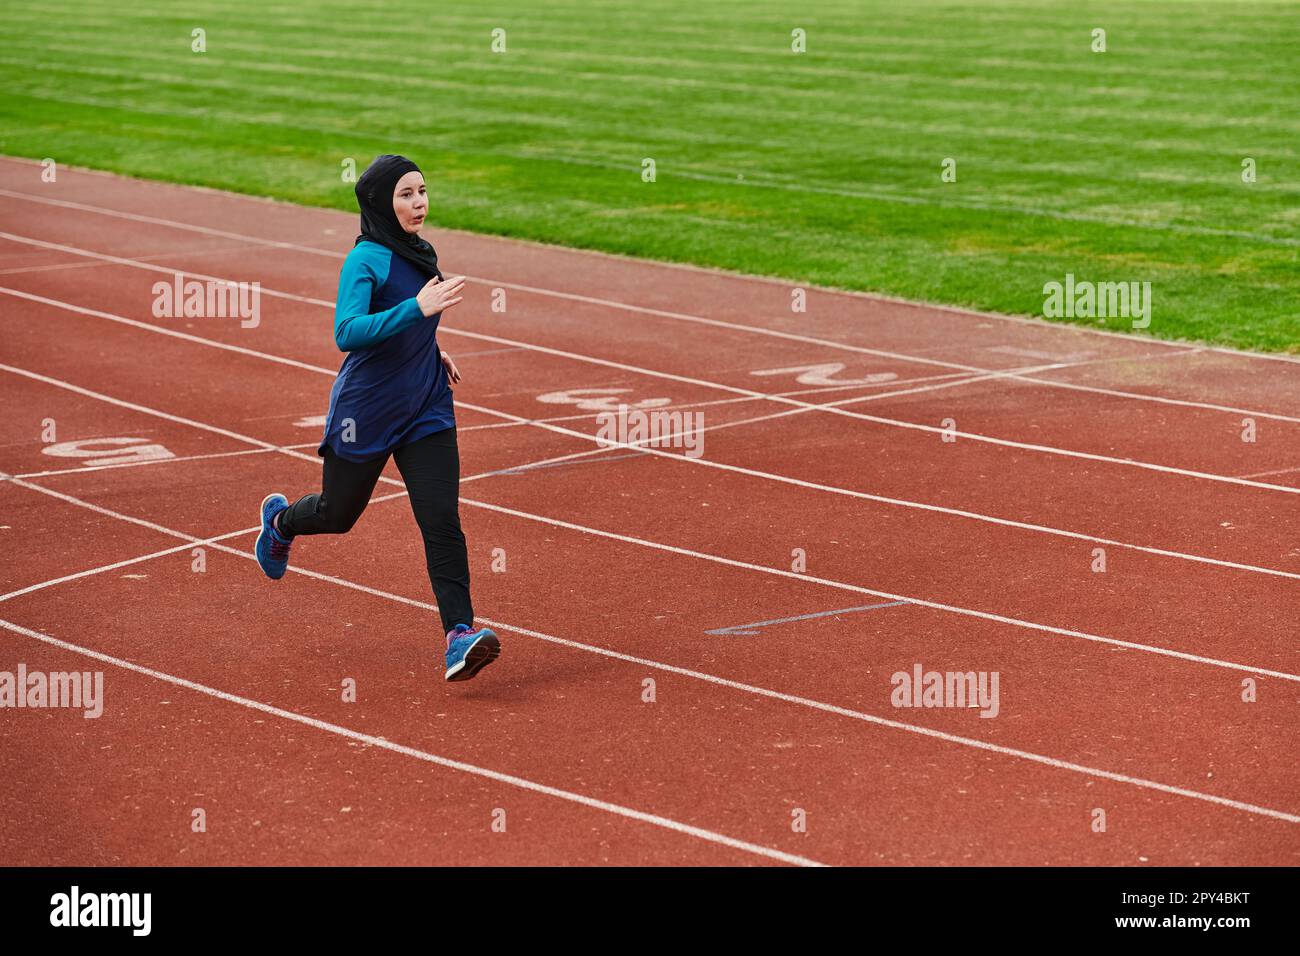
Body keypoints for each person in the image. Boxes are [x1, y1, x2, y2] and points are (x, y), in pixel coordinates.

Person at [254, 154, 499, 682]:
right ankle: (281, 521)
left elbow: (412, 319)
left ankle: (459, 635)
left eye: (423, 191)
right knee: (339, 514)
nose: (419, 203)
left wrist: (432, 348)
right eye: (406, 194)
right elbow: (348, 331)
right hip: (366, 412)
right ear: (379, 203)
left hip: (426, 408)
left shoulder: (419, 250)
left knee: (441, 521)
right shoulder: (364, 260)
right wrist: (419, 312)